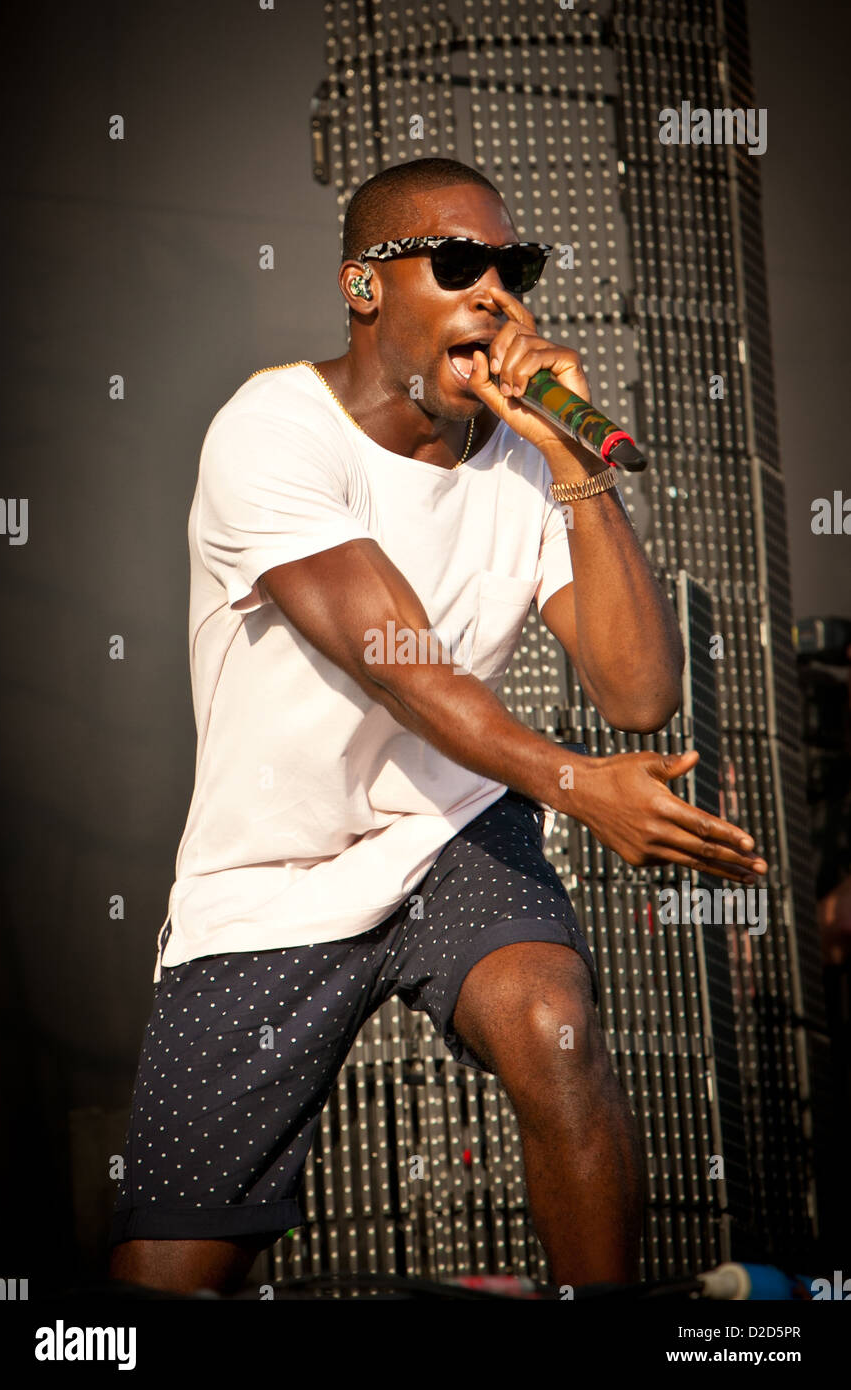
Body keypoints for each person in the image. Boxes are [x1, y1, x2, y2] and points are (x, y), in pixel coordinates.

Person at [108, 157, 767, 1296]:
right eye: (456, 262)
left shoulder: (522, 463)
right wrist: (576, 786)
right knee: (166, 1273)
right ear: (362, 287)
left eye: (514, 267)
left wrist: (569, 456)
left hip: (450, 828)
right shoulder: (272, 431)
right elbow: (405, 668)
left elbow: (636, 693)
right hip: (272, 873)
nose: (495, 293)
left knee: (552, 1023)